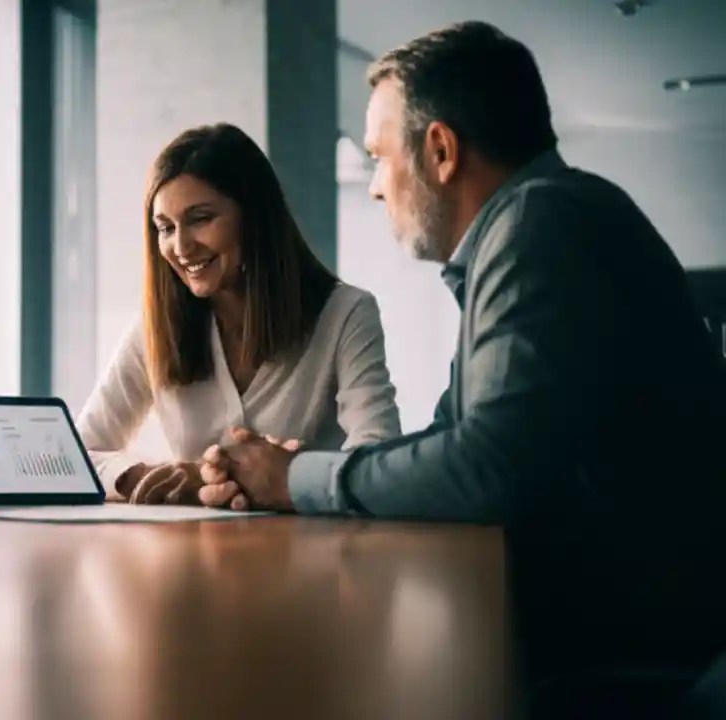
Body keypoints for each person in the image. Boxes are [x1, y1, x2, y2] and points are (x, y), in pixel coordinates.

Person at [199, 21, 726, 711]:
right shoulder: (536, 225)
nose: (376, 187)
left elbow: (489, 466)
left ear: (441, 151)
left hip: (626, 658)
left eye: (379, 157)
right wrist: (293, 469)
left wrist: (295, 480)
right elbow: (453, 438)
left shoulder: (539, 223)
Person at [77, 123, 401, 505]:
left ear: (253, 217)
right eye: (165, 228)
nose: (181, 247)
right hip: (196, 544)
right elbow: (77, 455)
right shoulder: (155, 328)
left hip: (311, 543)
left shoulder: (346, 314)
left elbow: (378, 459)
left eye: (200, 219)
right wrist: (152, 477)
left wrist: (289, 475)